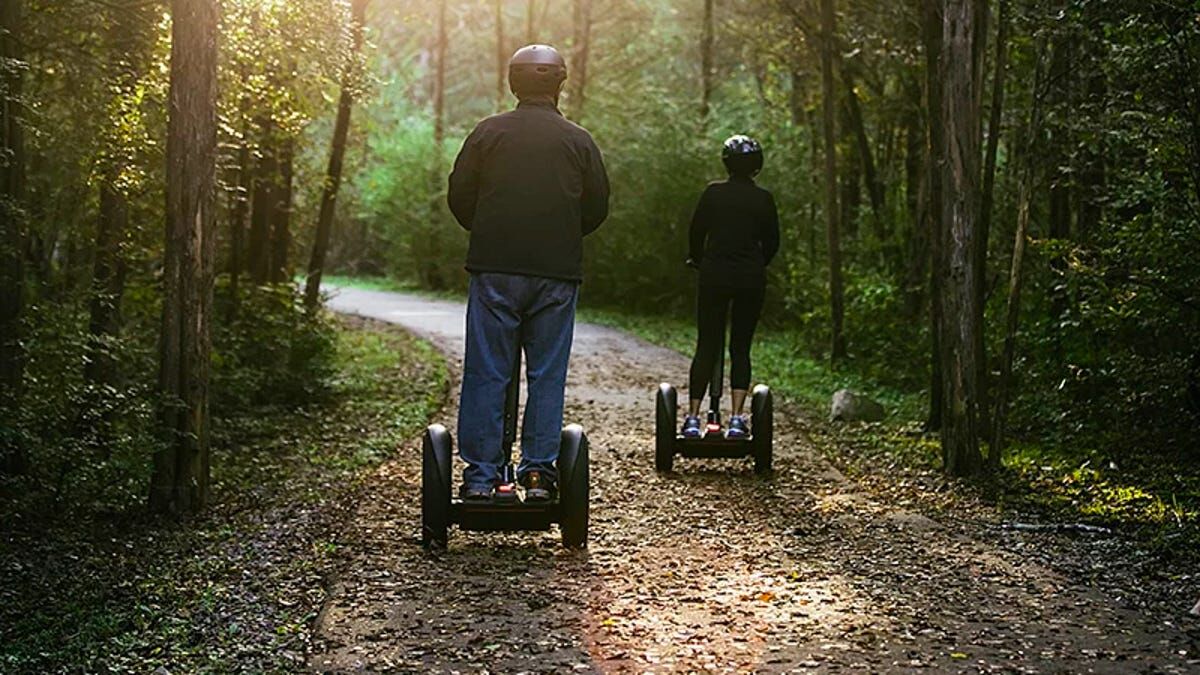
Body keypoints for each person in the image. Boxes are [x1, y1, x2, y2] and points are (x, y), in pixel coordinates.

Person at [447, 44, 609, 503]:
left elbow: (460, 196)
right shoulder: (578, 140)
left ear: (512, 82)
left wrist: (491, 231)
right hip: (556, 275)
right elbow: (596, 208)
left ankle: (481, 478)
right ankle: (537, 475)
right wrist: (561, 235)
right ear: (559, 83)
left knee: (488, 372)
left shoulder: (487, 133)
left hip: (495, 269)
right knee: (546, 375)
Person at [681, 135, 780, 439]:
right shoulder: (763, 199)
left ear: (726, 162)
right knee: (741, 347)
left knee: (707, 345)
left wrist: (698, 260)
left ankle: (694, 418)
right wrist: (754, 264)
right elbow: (773, 242)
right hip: (750, 279)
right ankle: (737, 418)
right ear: (757, 165)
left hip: (714, 276)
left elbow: (696, 234)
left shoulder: (713, 194)